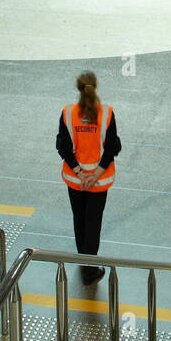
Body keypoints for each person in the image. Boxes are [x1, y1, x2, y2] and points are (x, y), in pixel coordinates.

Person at [56, 72, 121, 285]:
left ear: (78, 88)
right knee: (93, 223)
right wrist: (95, 175)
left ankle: (84, 261)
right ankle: (90, 269)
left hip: (75, 181)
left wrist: (80, 173)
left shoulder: (67, 113)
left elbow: (63, 146)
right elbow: (113, 147)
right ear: (95, 87)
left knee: (80, 220)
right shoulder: (107, 114)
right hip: (98, 182)